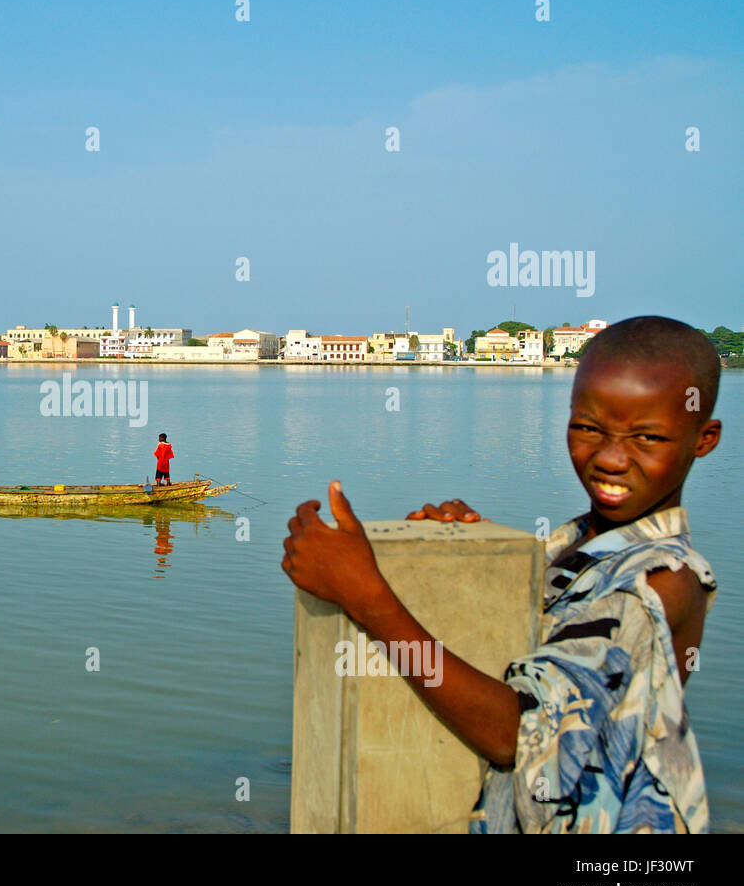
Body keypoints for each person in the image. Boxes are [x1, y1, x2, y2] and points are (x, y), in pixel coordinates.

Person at [281, 316, 722, 833]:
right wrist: (471, 559)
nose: (609, 458)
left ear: (703, 438)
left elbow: (513, 732)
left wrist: (366, 596)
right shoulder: (577, 544)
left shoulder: (659, 582)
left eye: (647, 437)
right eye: (587, 428)